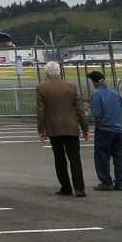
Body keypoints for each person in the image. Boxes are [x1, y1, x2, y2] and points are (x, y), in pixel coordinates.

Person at [34, 61, 89, 196]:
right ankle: (79, 188)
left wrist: (41, 130)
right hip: (71, 127)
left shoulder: (42, 88)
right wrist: (85, 128)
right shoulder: (71, 86)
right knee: (75, 158)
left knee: (60, 159)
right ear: (60, 72)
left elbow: (41, 111)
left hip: (54, 128)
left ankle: (66, 187)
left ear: (46, 72)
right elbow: (80, 109)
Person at [86, 71, 122, 191]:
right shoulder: (115, 93)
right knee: (118, 157)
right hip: (118, 129)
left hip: (104, 130)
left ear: (94, 82)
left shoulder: (97, 95)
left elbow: (96, 115)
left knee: (102, 157)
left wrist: (97, 125)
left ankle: (106, 181)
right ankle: (120, 182)